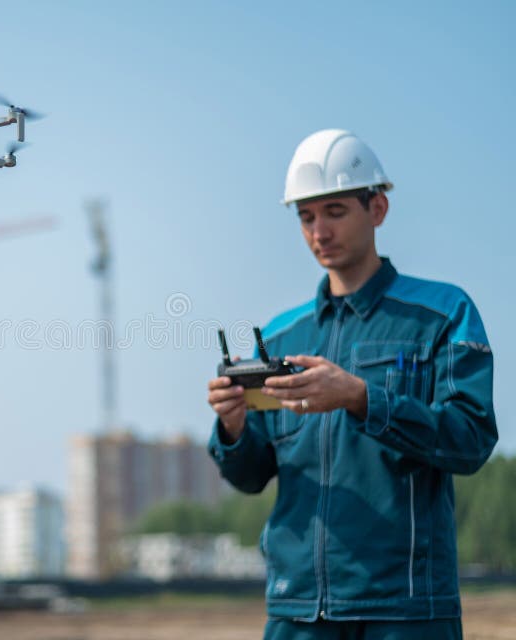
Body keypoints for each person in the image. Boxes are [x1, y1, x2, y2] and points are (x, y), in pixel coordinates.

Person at [207, 129, 497, 640]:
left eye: (335, 211)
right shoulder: (279, 336)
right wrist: (231, 429)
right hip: (296, 612)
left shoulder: (443, 314)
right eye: (305, 217)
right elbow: (253, 476)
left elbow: (469, 440)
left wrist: (362, 399)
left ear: (378, 208)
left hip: (406, 611)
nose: (319, 230)